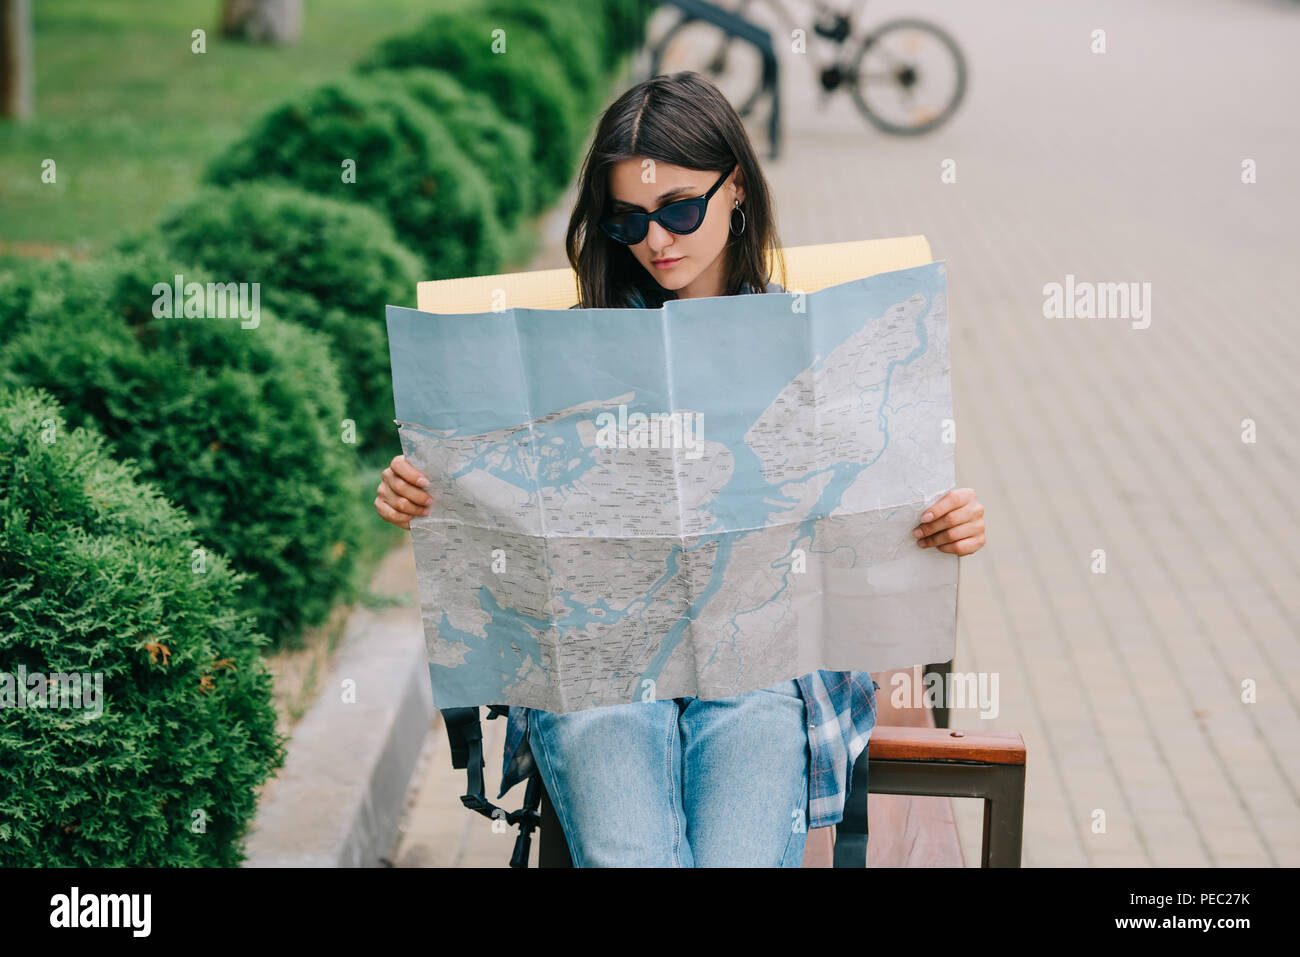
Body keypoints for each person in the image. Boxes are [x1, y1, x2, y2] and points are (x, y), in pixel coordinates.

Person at [374, 71, 987, 867]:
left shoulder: (811, 347)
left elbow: (872, 509)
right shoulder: (558, 356)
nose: (655, 240)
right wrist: (426, 495)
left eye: (679, 210)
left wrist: (942, 523)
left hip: (765, 663)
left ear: (736, 189)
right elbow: (496, 531)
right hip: (597, 662)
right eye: (627, 218)